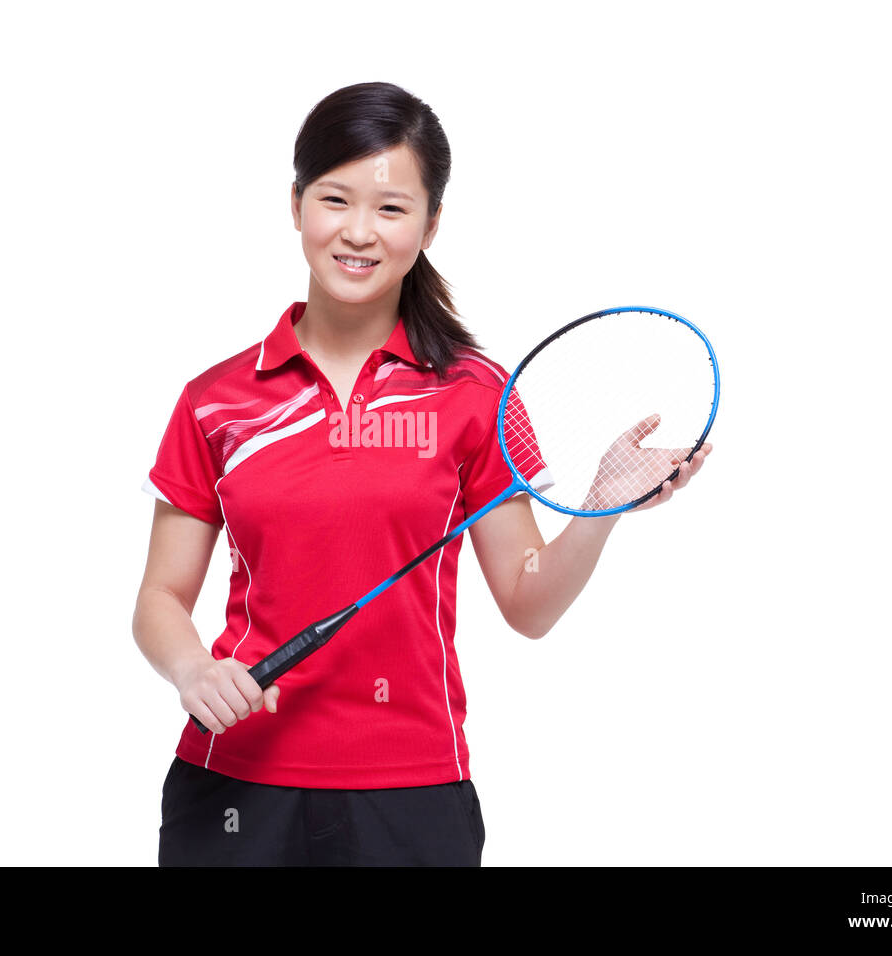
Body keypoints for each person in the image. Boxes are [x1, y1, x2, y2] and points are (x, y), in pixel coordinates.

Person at [132, 81, 711, 866]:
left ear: (432, 223)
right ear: (296, 203)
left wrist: (598, 507)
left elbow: (528, 604)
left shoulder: (475, 395)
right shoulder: (215, 401)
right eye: (335, 199)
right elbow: (160, 599)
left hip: (413, 794)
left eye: (392, 208)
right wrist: (194, 668)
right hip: (233, 782)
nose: (358, 232)